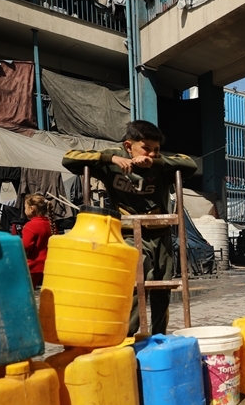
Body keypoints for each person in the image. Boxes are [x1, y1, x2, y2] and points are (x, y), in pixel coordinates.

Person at [62, 120, 197, 335]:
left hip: (160, 232)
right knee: (135, 285)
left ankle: (159, 336)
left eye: (156, 149)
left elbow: (190, 164)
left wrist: (156, 162)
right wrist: (111, 159)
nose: (151, 153)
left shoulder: (159, 164)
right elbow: (69, 158)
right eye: (146, 148)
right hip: (128, 234)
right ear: (128, 145)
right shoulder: (114, 158)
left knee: (162, 288)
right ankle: (129, 337)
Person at [21, 194, 53, 288]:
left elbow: (26, 246)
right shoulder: (50, 224)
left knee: (26, 290)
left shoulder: (30, 226)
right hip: (49, 265)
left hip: (33, 266)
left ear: (31, 209)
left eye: (25, 207)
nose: (24, 210)